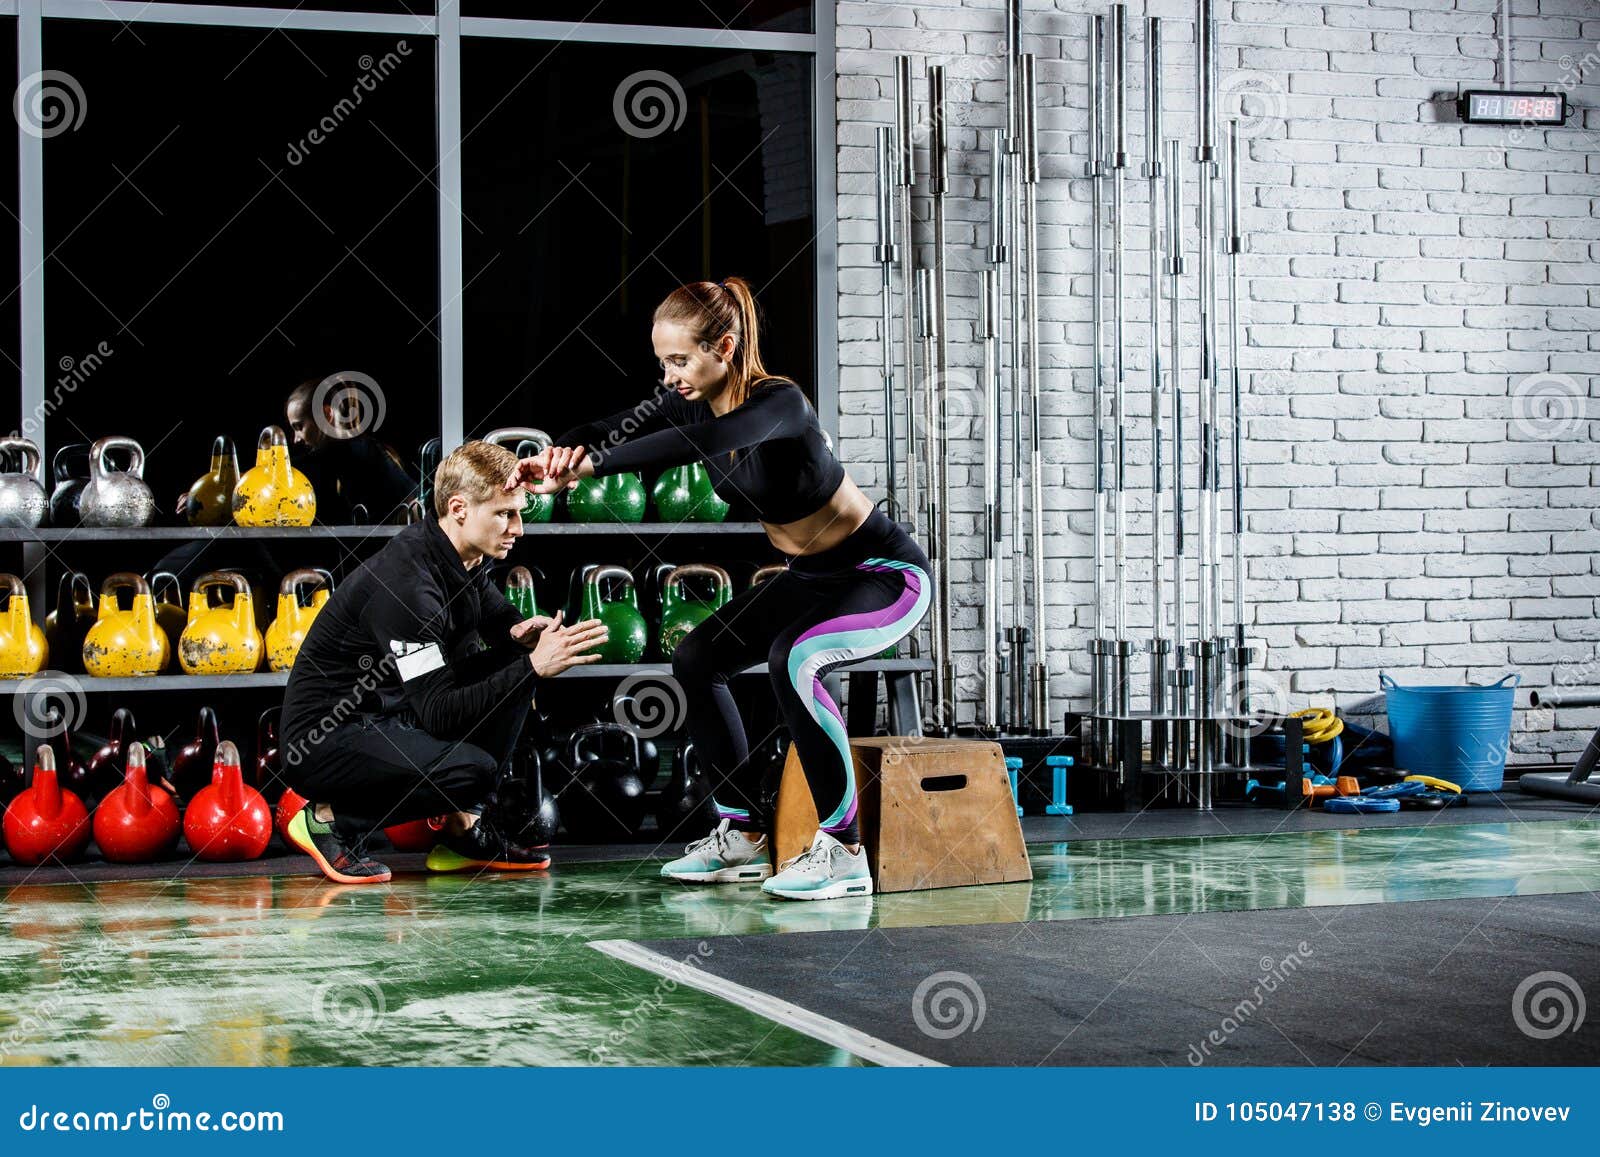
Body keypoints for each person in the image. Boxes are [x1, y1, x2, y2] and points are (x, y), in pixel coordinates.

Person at [509, 277, 931, 902]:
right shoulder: (691, 402)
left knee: (798, 658)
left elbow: (700, 442)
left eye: (680, 360)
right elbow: (621, 427)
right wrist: (560, 454)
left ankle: (843, 852)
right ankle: (743, 833)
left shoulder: (779, 404)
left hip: (882, 576)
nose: (670, 376)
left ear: (725, 347)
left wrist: (594, 466)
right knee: (696, 657)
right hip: (810, 579)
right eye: (662, 362)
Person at [279, 440, 609, 885]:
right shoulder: (409, 587)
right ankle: (329, 819)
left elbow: (498, 619)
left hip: (393, 715)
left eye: (519, 513)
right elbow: (438, 710)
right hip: (329, 738)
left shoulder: (461, 557)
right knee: (473, 772)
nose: (519, 528)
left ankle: (462, 832)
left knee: (518, 662)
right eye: (505, 514)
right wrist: (531, 666)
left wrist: (527, 636)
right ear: (458, 508)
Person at [286, 376, 415, 524]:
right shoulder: (366, 449)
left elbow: (414, 506)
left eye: (299, 427)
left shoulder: (363, 452)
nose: (296, 439)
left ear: (326, 414)